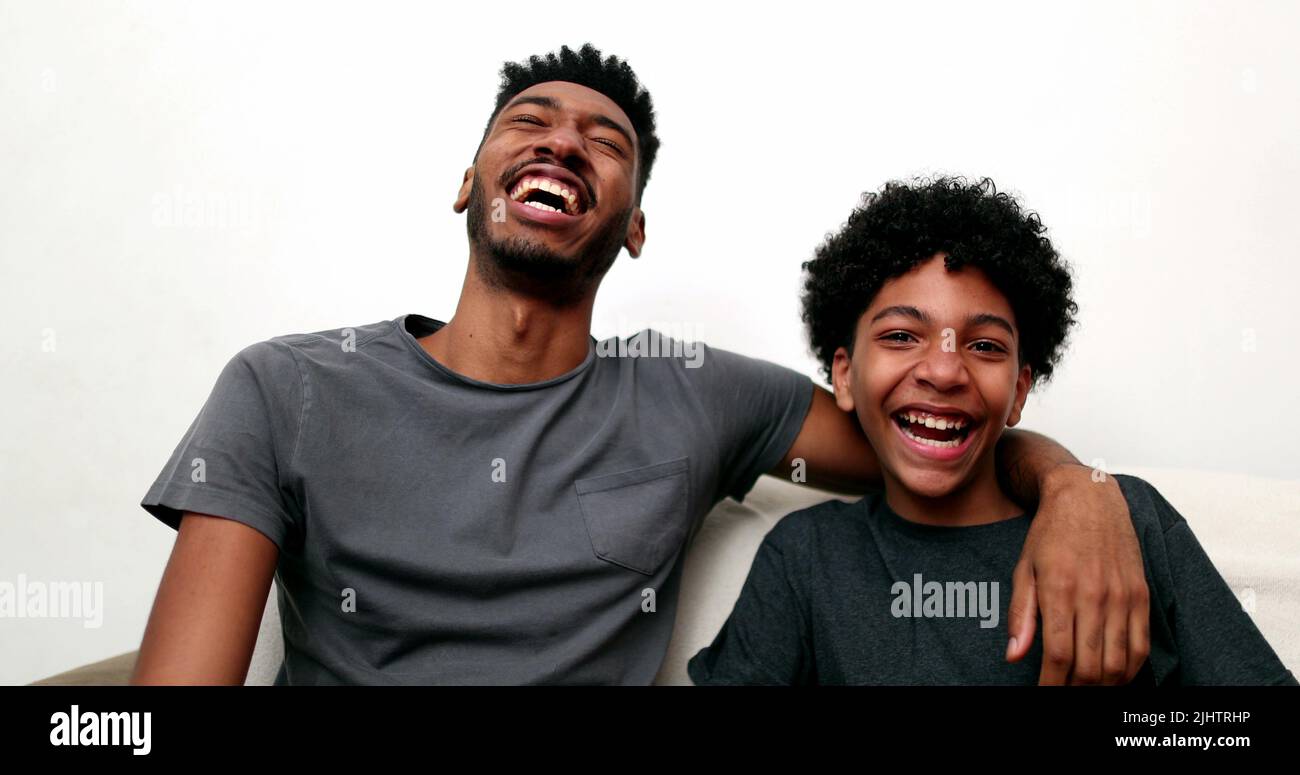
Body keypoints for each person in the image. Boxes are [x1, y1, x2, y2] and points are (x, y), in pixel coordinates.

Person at [133, 46, 1148, 685]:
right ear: (466, 182)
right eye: (530, 123)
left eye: (604, 141)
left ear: (635, 228)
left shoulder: (699, 394)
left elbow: (927, 435)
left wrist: (1076, 486)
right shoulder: (286, 387)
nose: (565, 143)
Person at [688, 177, 1297, 685]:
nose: (945, 370)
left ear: (1019, 392)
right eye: (901, 335)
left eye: (984, 345)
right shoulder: (807, 556)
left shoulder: (1122, 517)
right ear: (843, 377)